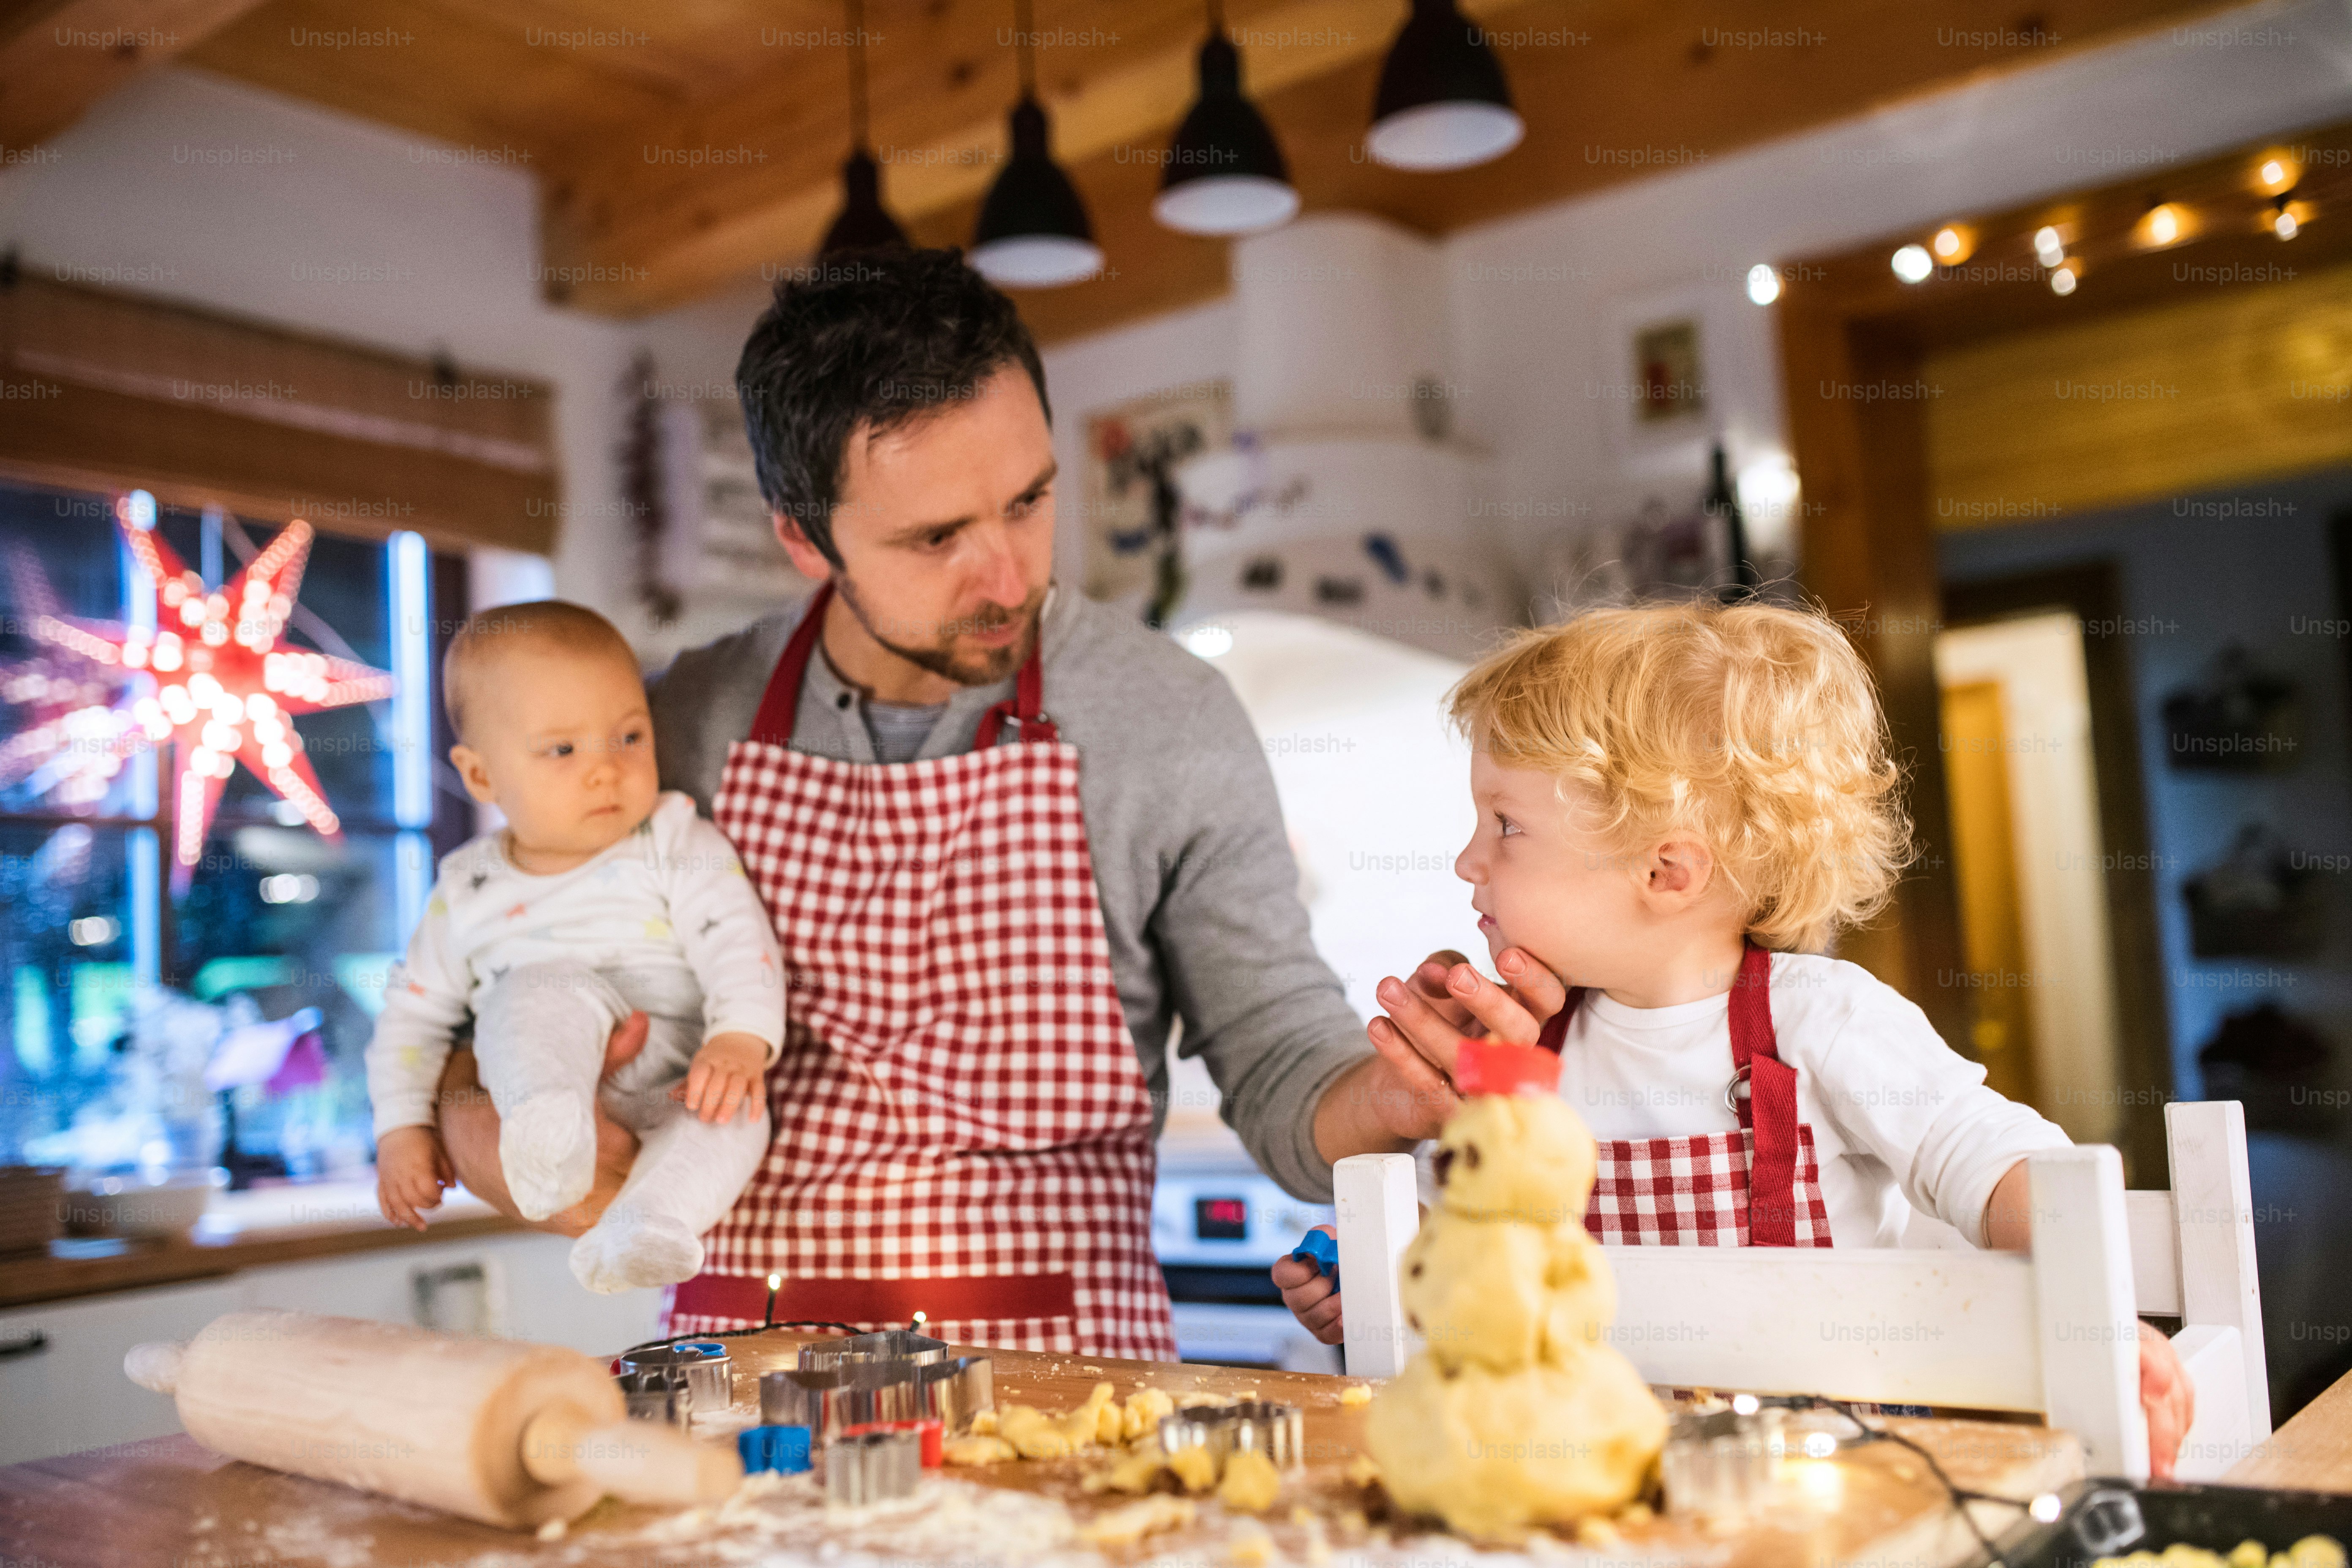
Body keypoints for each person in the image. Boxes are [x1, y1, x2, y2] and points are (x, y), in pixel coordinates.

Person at [431, 248, 1453, 1358]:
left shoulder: (1171, 719)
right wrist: (480, 1117)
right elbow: (485, 961)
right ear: (800, 534)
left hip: (1073, 1394)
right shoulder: (674, 728)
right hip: (743, 1378)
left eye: (1028, 502)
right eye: (934, 539)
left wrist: (1391, 1102)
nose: (1008, 577)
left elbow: (1278, 1061)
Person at [1272, 598, 2199, 1475]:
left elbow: (1995, 1164)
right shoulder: (1520, 1055)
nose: (1469, 859)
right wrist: (1381, 1273)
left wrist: (2096, 1316)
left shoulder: (1819, 1018)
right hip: (1596, 1489)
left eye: (1507, 824)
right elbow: (1480, 1253)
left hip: (1842, 1494)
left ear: (1667, 869)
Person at [368, 602, 780, 1293]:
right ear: (482, 778)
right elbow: (412, 1019)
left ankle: (652, 1224)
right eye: (563, 750)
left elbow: (739, 941)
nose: (605, 771)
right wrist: (402, 1127)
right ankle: (547, 1125)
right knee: (536, 991)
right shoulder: (468, 888)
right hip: (541, 1067)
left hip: (684, 1067)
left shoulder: (675, 837)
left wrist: (742, 1040)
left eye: (628, 737)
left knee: (740, 1115)